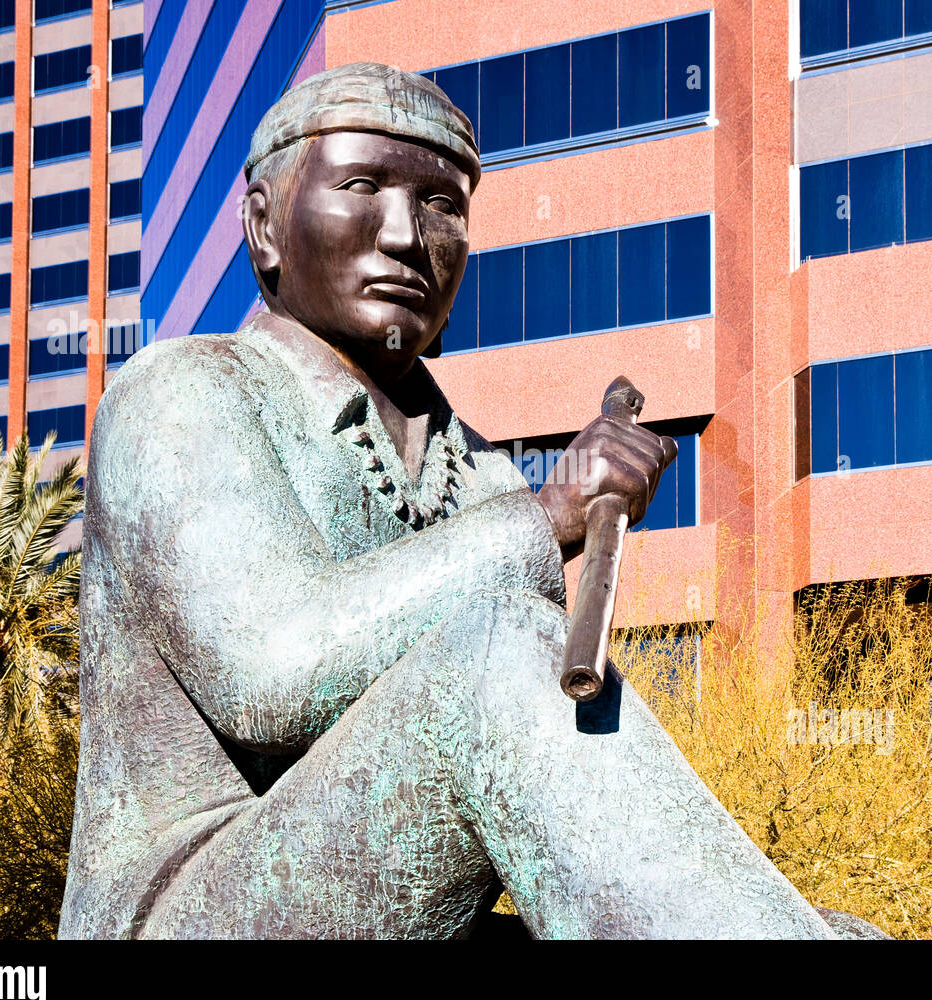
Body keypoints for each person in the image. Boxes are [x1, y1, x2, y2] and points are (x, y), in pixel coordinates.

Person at [59, 62, 862, 940]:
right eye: (362, 185)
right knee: (492, 655)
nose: (407, 233)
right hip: (183, 907)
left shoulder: (479, 473)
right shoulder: (181, 394)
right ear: (264, 225)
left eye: (442, 206)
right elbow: (273, 675)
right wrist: (549, 515)